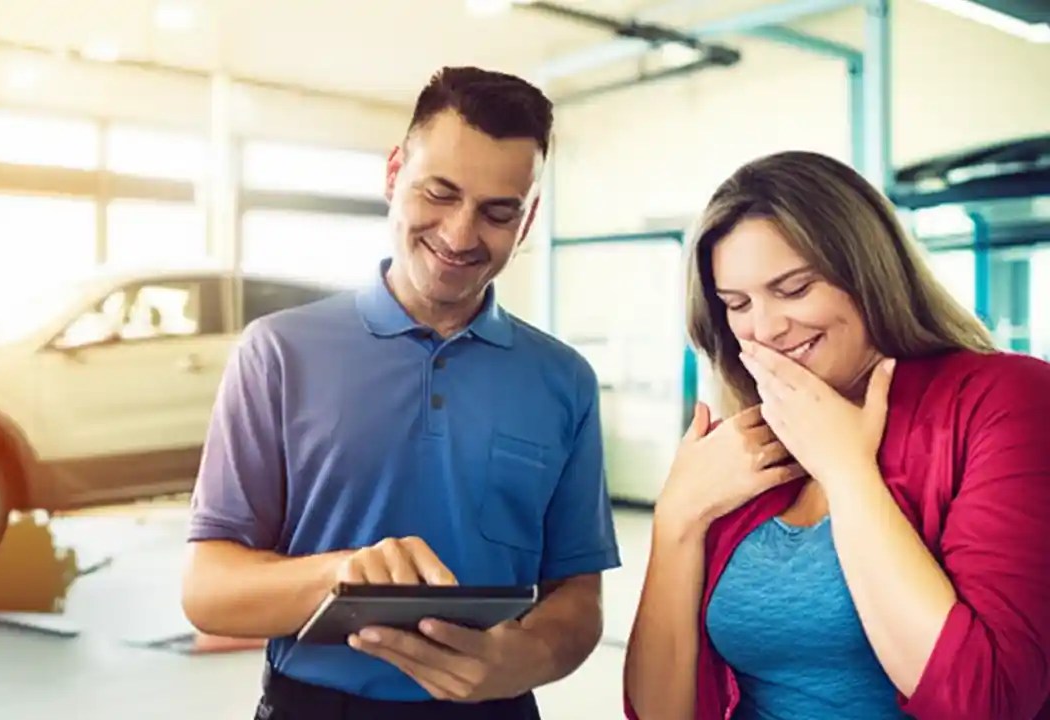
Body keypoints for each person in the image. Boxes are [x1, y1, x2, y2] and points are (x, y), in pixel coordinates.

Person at [182, 66, 621, 720]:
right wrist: (343, 574)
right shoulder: (278, 353)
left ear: (526, 220)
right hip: (317, 707)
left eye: (497, 212)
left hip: (497, 708)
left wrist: (523, 659)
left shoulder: (563, 380)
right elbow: (209, 592)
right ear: (394, 176)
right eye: (439, 194)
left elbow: (578, 599)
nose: (460, 234)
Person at [623, 150, 1050, 720]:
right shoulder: (742, 447)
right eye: (738, 304)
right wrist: (677, 519)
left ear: (869, 271)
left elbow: (984, 701)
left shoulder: (1006, 399)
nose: (768, 328)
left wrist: (847, 471)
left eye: (795, 289)